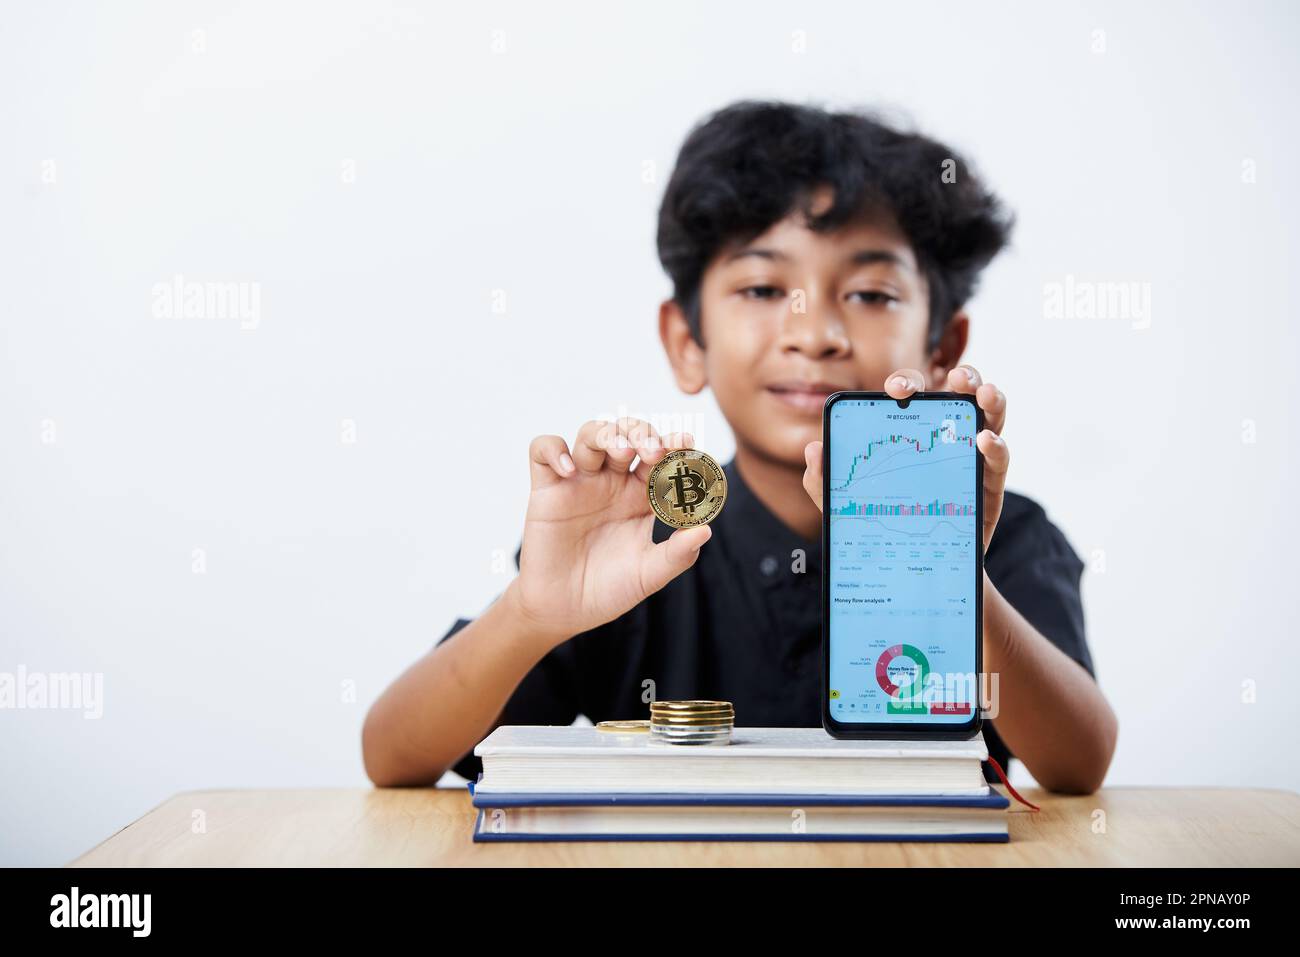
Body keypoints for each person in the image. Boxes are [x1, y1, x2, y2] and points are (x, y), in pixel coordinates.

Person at [362, 100, 1118, 793]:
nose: (814, 333)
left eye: (871, 294)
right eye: (762, 290)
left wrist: (953, 572)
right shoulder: (639, 548)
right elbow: (393, 755)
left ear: (943, 343)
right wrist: (531, 613)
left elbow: (1078, 763)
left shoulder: (1001, 535)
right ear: (687, 341)